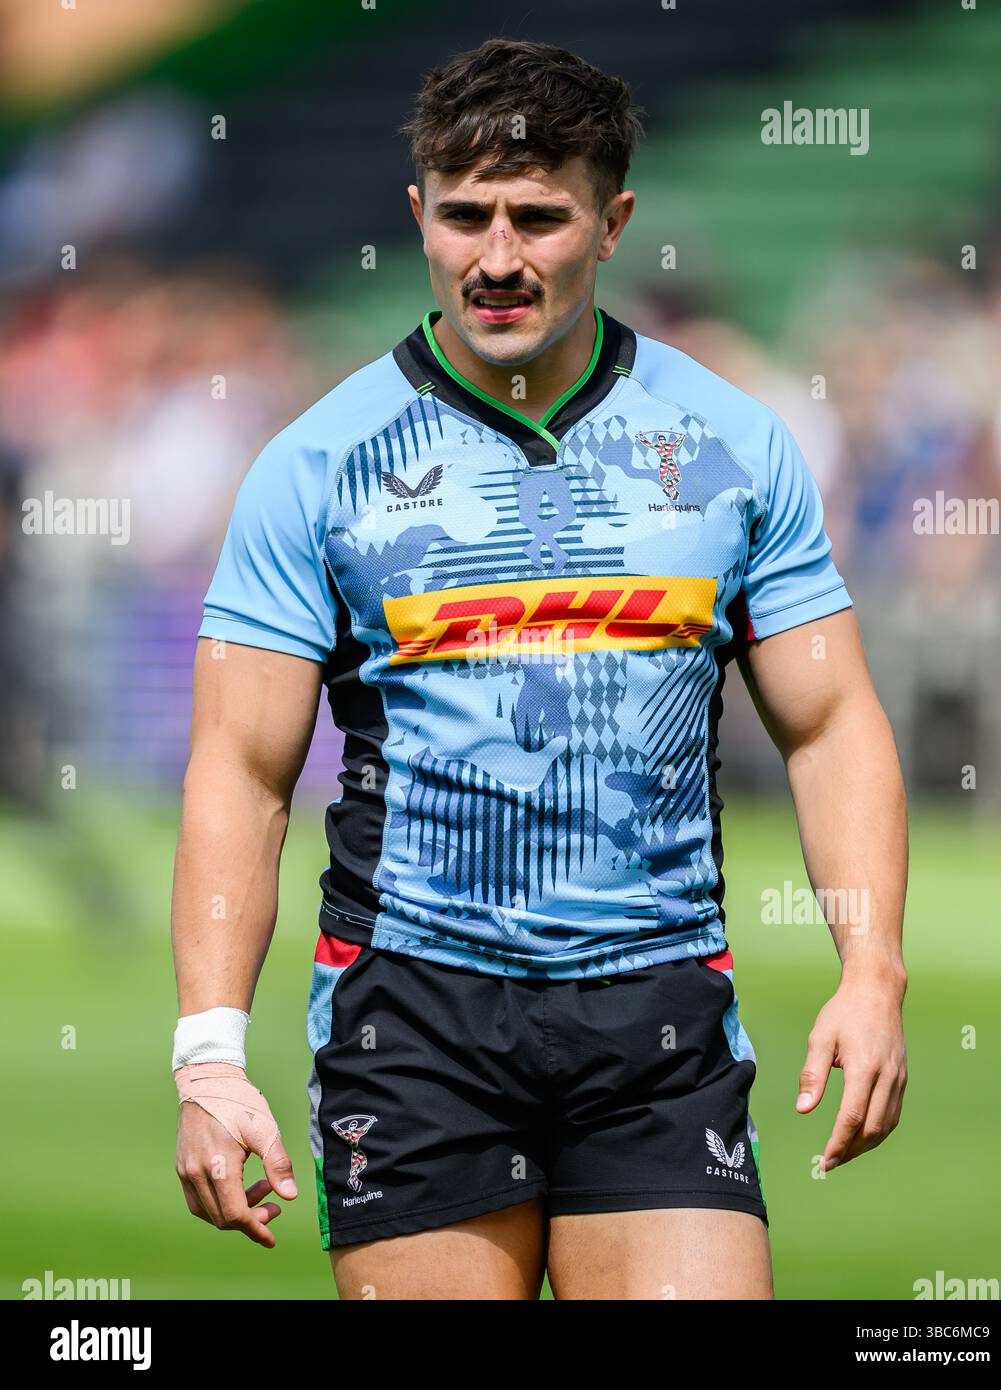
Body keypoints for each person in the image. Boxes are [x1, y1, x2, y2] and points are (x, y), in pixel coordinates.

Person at [172, 38, 908, 1301]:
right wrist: (207, 1056)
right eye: (463, 216)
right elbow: (241, 773)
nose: (496, 257)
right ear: (416, 213)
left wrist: (871, 968)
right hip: (411, 1018)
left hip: (657, 1015)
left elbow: (830, 722)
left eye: (537, 216)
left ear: (613, 220)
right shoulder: (316, 464)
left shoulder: (727, 443)